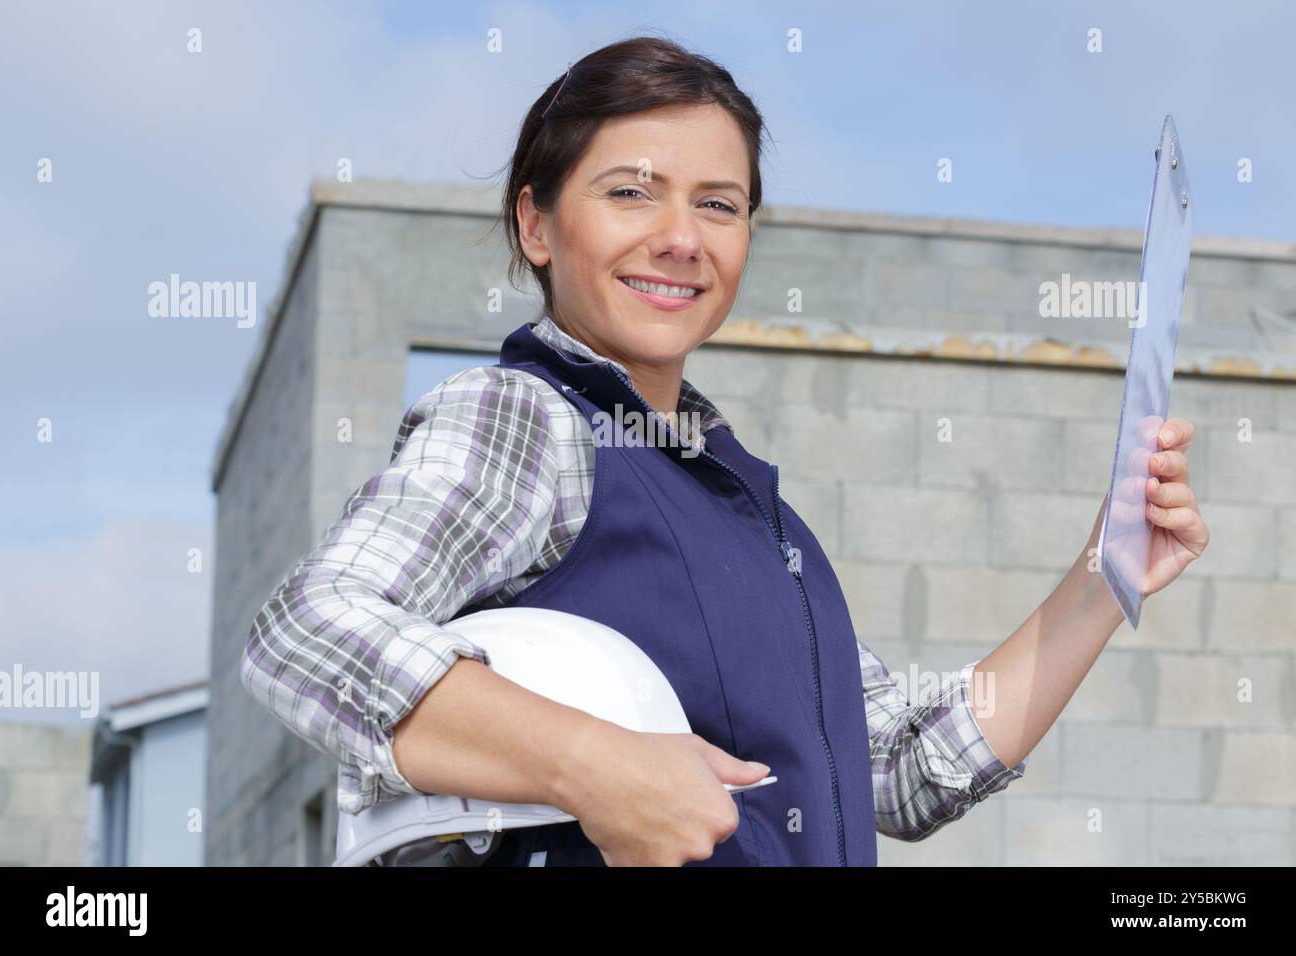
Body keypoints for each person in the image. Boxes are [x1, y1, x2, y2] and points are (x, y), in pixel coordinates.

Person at [240, 36, 1210, 867]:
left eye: (718, 204)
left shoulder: (749, 512)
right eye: (630, 192)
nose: (678, 238)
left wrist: (1100, 575)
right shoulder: (527, 420)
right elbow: (308, 630)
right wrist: (594, 759)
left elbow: (903, 766)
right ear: (535, 223)